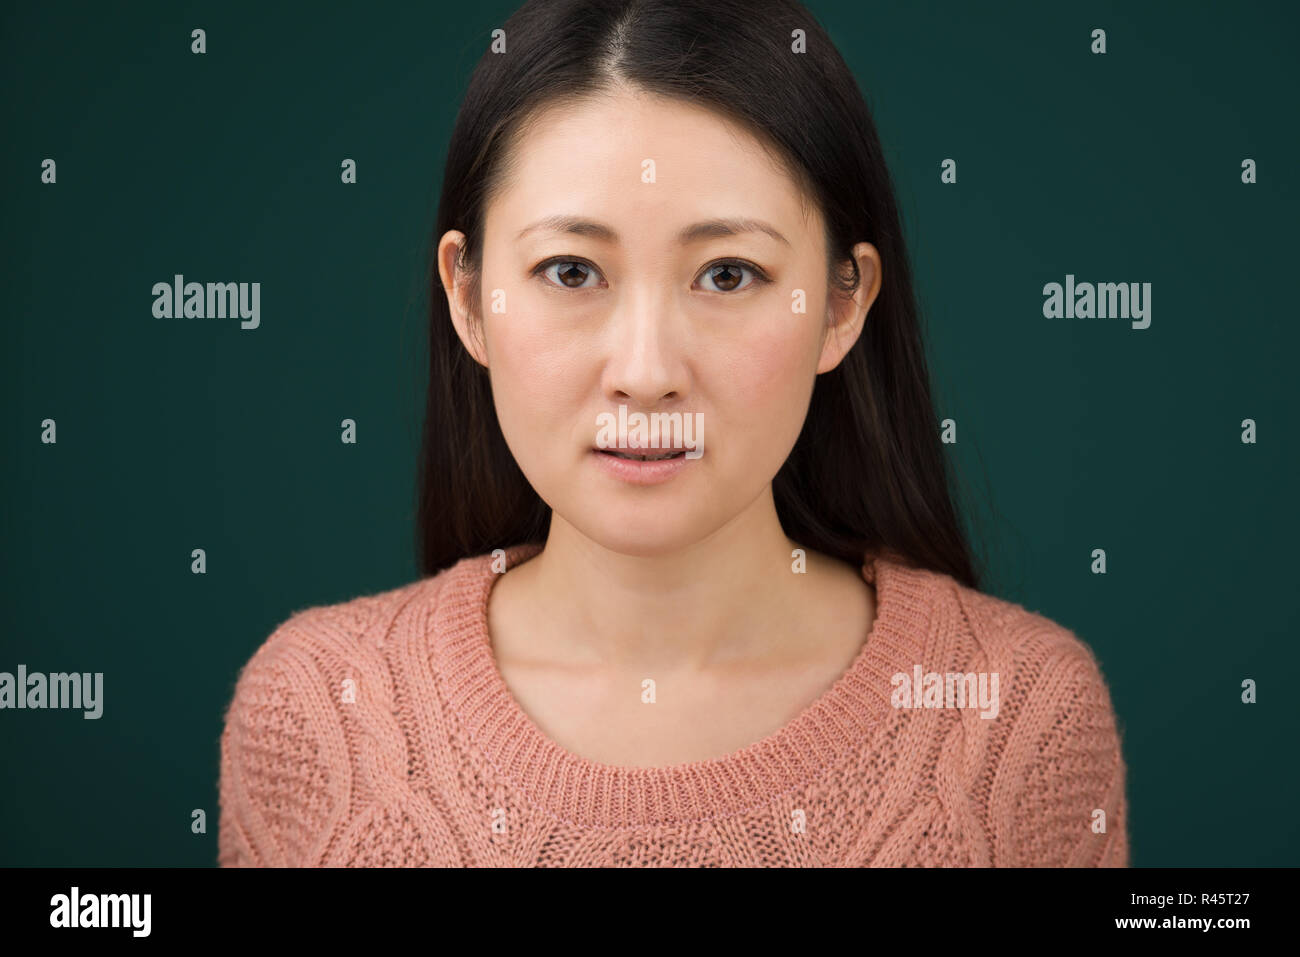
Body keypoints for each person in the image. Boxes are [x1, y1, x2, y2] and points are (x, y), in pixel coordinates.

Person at [218, 0, 1128, 866]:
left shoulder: (1019, 717)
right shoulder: (317, 711)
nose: (647, 369)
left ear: (842, 303)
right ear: (468, 297)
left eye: (728, 274)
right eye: (571, 270)